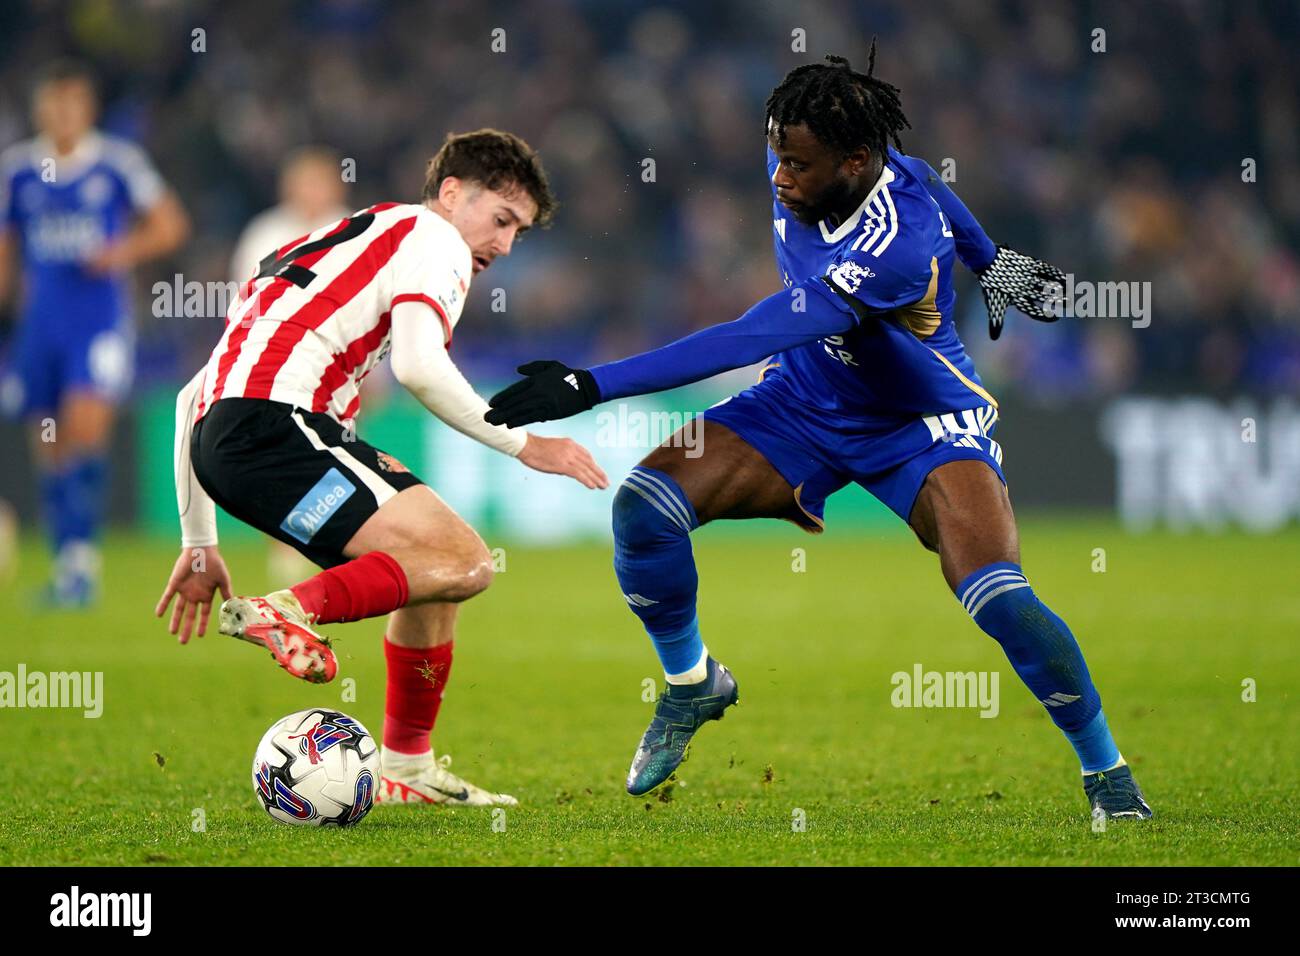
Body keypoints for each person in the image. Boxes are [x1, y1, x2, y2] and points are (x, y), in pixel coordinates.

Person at [484, 51, 1153, 820]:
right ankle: (691, 682)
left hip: (920, 421)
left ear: (856, 162)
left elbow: (752, 331)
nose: (779, 178)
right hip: (805, 395)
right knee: (643, 507)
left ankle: (1109, 776)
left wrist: (590, 384)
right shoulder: (833, 156)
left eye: (798, 165)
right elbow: (930, 174)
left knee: (1000, 598)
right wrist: (994, 263)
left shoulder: (893, 248)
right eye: (777, 156)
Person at [155, 129, 608, 807]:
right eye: (503, 219)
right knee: (470, 561)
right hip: (283, 426)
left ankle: (408, 766)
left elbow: (193, 397)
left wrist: (199, 544)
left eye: (521, 232)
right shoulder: (436, 240)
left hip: (228, 440)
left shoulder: (347, 238)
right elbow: (419, 366)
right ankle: (287, 609)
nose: (506, 245)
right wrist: (525, 445)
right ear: (452, 194)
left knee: (436, 567)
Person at [0, 59, 190, 605]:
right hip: (40, 325)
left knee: (84, 432)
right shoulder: (18, 168)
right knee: (50, 444)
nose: (62, 113)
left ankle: (83, 563)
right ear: (40, 108)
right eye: (53, 104)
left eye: (72, 103)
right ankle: (67, 565)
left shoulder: (117, 163)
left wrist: (118, 252)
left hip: (97, 322)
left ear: (87, 108)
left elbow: (171, 224)